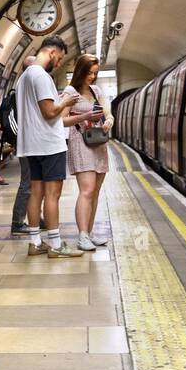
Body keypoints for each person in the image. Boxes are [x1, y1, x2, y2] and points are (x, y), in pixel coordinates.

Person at [14, 36, 81, 257]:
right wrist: (65, 102)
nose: (59, 63)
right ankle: (55, 244)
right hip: (49, 145)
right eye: (59, 58)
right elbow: (50, 112)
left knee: (36, 193)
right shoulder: (40, 76)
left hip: (30, 144)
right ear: (52, 52)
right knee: (52, 195)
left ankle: (35, 242)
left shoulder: (24, 77)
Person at [61, 54, 113, 251]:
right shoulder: (70, 91)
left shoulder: (96, 90)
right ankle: (82, 236)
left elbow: (107, 110)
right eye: (89, 73)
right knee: (87, 189)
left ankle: (89, 233)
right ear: (80, 71)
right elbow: (61, 120)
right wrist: (84, 115)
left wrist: (109, 120)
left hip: (98, 142)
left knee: (96, 190)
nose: (92, 77)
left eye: (95, 73)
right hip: (80, 141)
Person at [6, 57, 31, 236]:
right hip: (27, 143)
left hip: (30, 142)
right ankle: (17, 222)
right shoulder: (22, 89)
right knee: (28, 182)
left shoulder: (22, 87)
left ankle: (34, 216)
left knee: (35, 182)